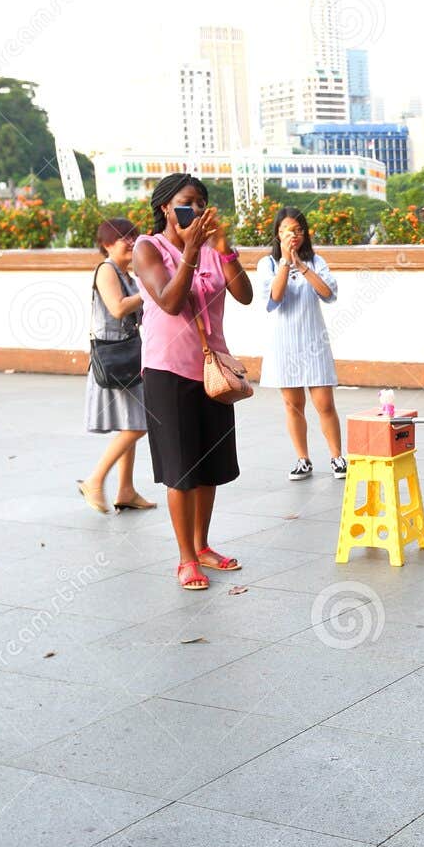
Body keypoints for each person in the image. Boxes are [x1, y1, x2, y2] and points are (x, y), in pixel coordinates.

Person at [132, 173, 254, 590]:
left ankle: (203, 546)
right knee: (181, 471)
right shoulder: (148, 248)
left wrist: (224, 249)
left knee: (209, 467)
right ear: (166, 206)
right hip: (168, 371)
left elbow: (244, 295)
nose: (197, 210)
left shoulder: (212, 249)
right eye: (188, 202)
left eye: (202, 203)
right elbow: (169, 301)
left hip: (213, 371)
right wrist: (188, 250)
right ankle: (185, 559)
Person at [258, 206, 345, 480]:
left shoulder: (316, 262)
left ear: (305, 234)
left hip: (313, 340)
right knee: (293, 405)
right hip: (284, 343)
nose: (292, 235)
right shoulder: (267, 264)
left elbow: (328, 293)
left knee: (325, 403)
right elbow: (274, 298)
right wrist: (285, 262)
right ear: (277, 234)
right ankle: (303, 459)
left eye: (297, 230)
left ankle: (337, 457)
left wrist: (302, 266)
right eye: (286, 231)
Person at [77, 217, 153, 514]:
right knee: (139, 424)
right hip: (115, 356)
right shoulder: (107, 270)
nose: (132, 242)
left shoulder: (128, 276)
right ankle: (95, 480)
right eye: (125, 238)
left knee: (131, 422)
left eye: (135, 237)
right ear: (107, 244)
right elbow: (118, 307)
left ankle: (126, 490)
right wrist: (149, 291)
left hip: (129, 354)